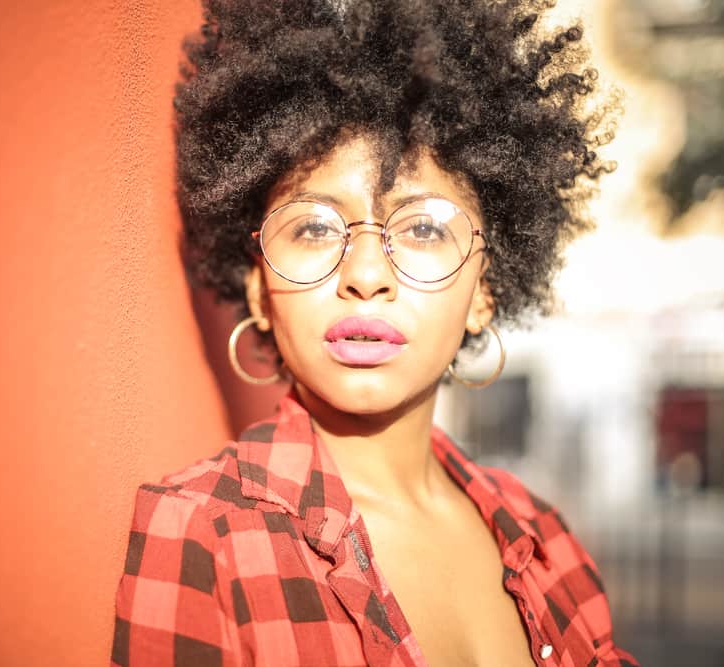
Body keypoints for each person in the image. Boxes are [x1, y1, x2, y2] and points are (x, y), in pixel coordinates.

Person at [111, 0, 638, 665]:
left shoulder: (550, 541)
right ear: (257, 290)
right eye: (313, 226)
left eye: (422, 227)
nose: (365, 274)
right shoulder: (200, 533)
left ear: (486, 289)